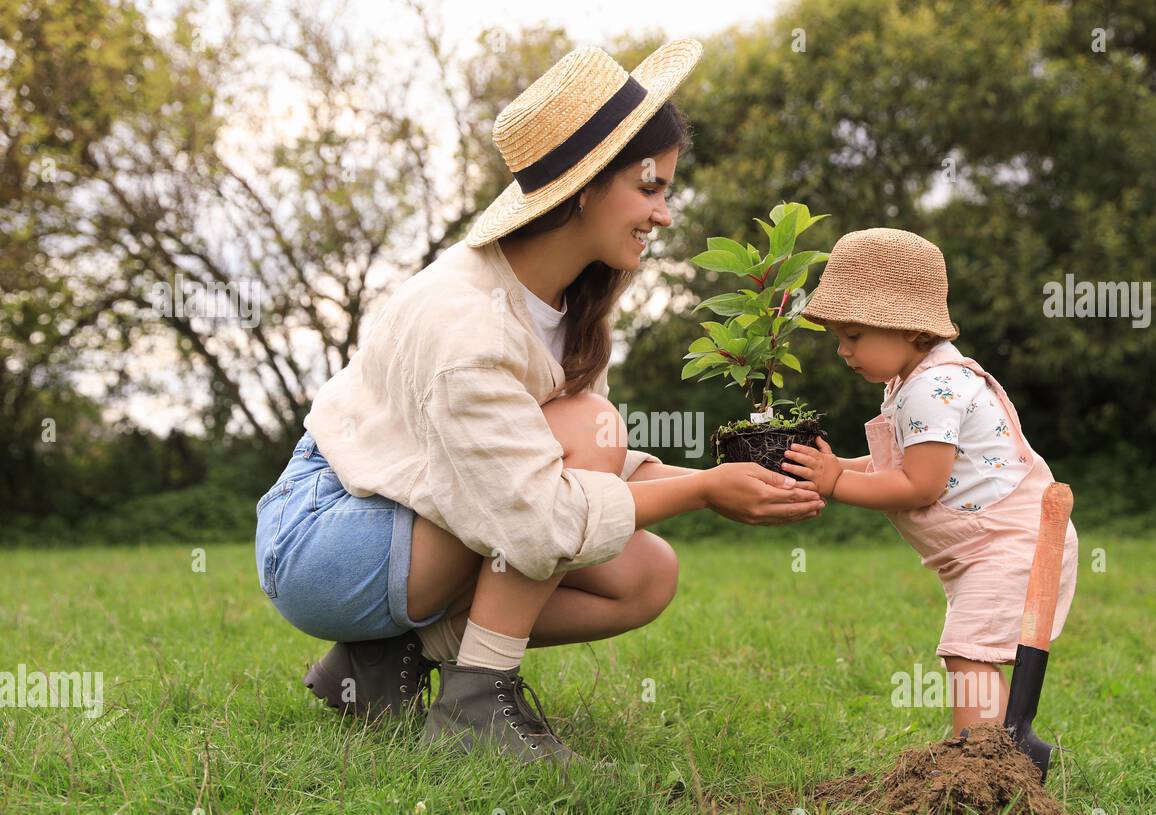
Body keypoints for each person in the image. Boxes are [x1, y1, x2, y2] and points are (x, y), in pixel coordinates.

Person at [253, 39, 826, 767]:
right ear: (584, 187)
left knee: (647, 575)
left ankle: (386, 661)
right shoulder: (466, 319)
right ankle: (476, 704)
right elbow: (538, 514)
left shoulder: (572, 299)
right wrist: (708, 489)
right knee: (591, 429)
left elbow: (583, 468)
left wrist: (732, 488)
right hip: (326, 540)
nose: (665, 214)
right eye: (650, 189)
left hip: (417, 516)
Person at [779, 228, 1079, 738]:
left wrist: (834, 483)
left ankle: (980, 766)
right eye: (837, 337)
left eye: (853, 335)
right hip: (991, 546)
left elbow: (920, 486)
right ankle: (997, 753)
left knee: (967, 651)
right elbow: (898, 468)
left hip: (1009, 546)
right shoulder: (915, 382)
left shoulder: (933, 389)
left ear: (910, 331)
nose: (842, 351)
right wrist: (833, 468)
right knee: (970, 654)